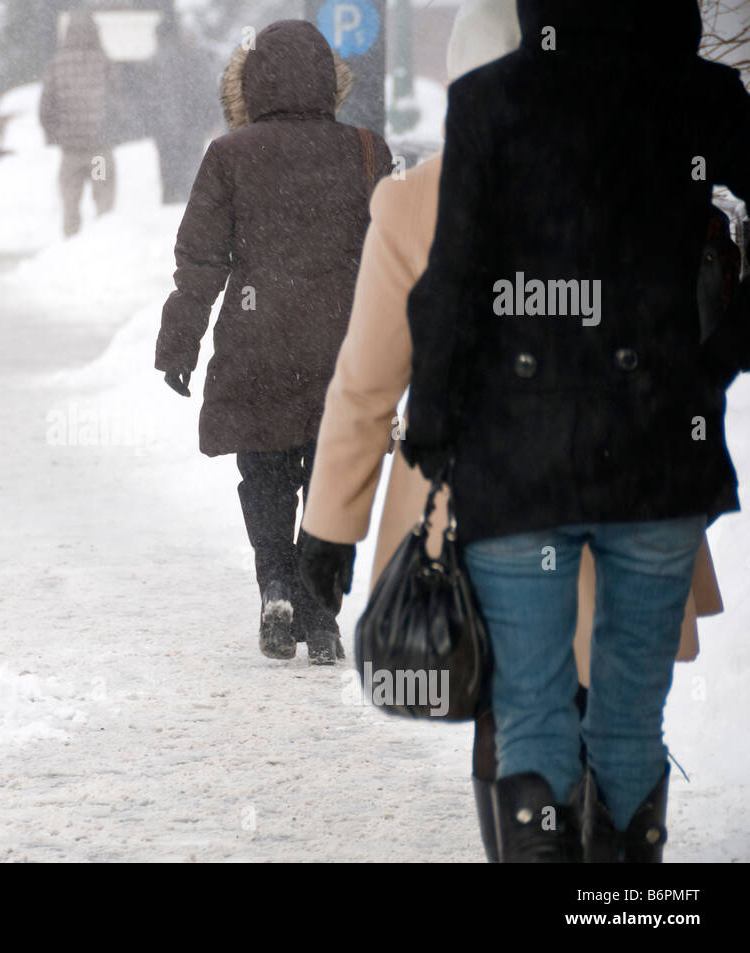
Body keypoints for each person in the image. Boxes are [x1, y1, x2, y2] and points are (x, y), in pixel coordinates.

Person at [295, 0, 726, 863]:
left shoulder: (417, 201)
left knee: (515, 718)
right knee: (615, 708)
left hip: (485, 505)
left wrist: (329, 524)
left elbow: (368, 380)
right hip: (634, 486)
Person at [155, 20, 391, 665]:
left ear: (249, 83)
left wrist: (179, 342)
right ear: (330, 78)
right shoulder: (367, 150)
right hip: (340, 347)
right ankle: (320, 612)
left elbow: (200, 260)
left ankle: (276, 586)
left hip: (257, 344)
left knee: (263, 473)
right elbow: (393, 258)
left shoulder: (230, 155)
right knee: (327, 476)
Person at [38, 12, 124, 237]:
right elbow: (119, 101)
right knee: (104, 203)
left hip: (71, 151)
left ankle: (71, 250)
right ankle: (104, 250)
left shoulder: (57, 63)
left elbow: (45, 106)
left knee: (70, 207)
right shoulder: (104, 61)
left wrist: (54, 134)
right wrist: (113, 131)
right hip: (98, 148)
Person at [147, 17, 221, 205]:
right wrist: (211, 120)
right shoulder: (193, 56)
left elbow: (150, 97)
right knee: (191, 175)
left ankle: (171, 207)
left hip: (167, 129)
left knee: (170, 176)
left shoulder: (156, 61)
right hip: (192, 125)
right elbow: (206, 90)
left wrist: (153, 122)